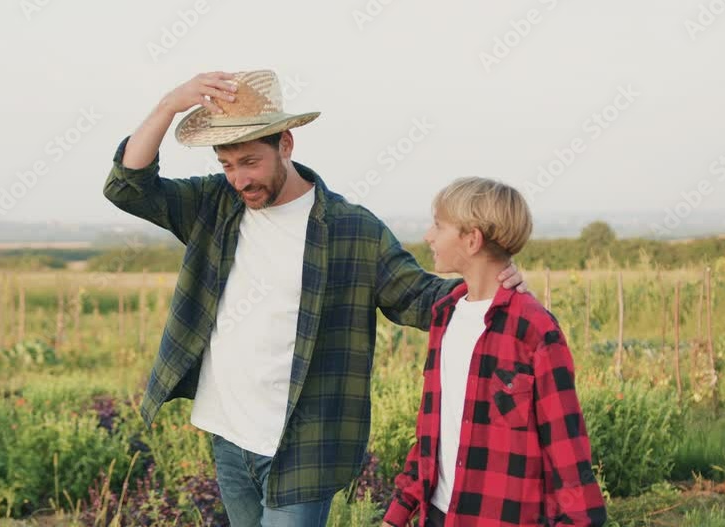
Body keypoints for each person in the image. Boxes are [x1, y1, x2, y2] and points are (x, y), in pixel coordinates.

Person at [102, 70, 526, 526]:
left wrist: (490, 281)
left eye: (250, 162)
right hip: (228, 433)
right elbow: (128, 186)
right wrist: (168, 105)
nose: (240, 180)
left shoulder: (351, 229)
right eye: (227, 165)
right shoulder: (215, 206)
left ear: (285, 144)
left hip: (303, 442)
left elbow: (420, 297)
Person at [381, 178, 606, 527]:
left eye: (439, 226)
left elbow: (567, 452)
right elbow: (433, 432)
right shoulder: (444, 316)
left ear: (472, 240)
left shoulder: (535, 330)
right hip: (438, 516)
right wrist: (398, 512)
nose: (428, 235)